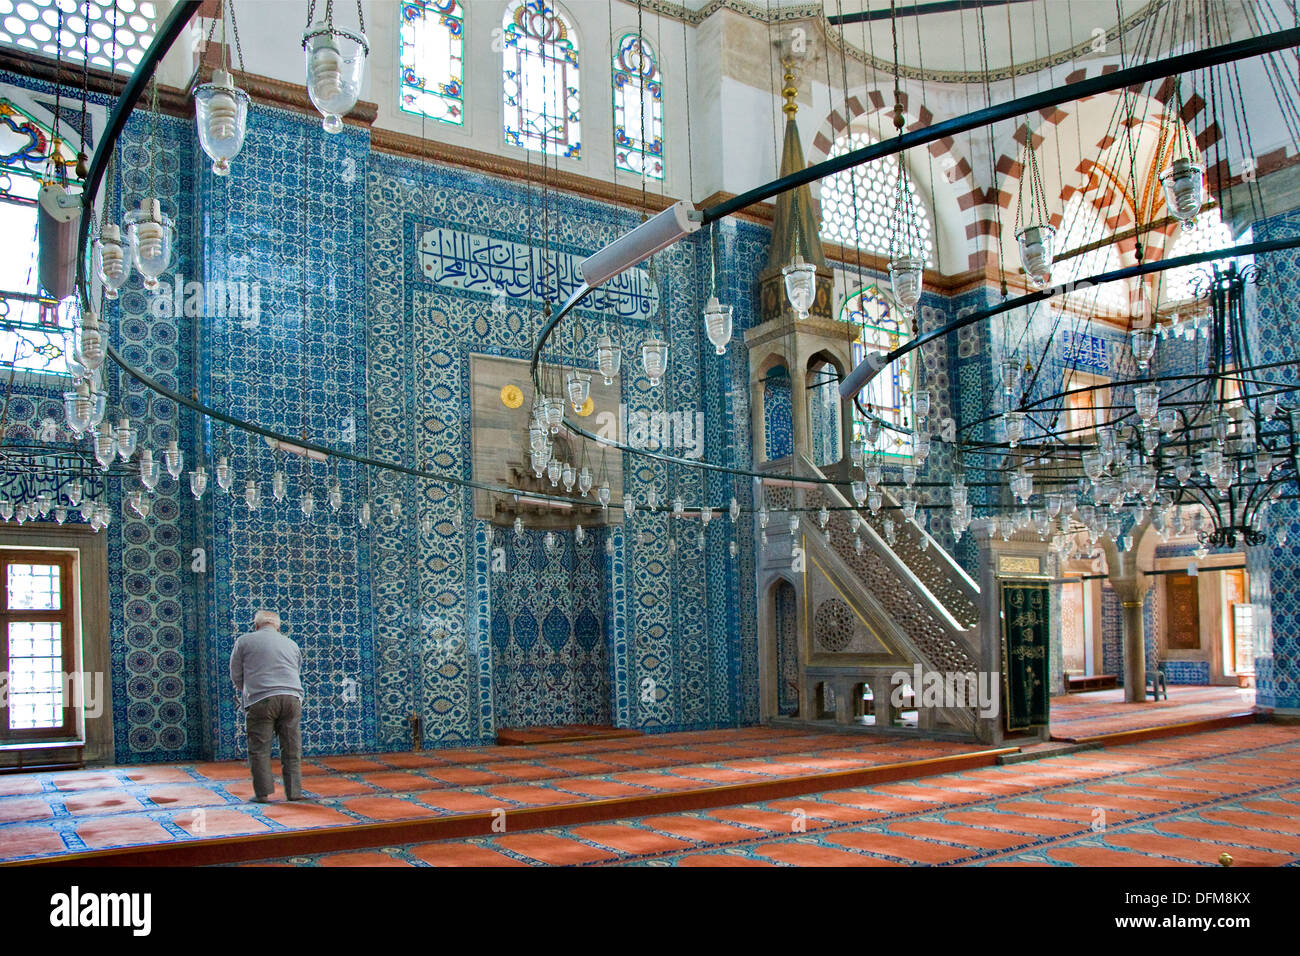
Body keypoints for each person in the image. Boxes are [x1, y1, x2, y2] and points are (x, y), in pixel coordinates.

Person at [229, 609, 305, 802]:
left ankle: (262, 794)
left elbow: (236, 673)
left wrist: (247, 691)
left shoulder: (245, 641)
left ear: (256, 625)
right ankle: (294, 793)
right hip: (291, 698)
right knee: (291, 748)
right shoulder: (291, 643)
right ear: (278, 627)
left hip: (261, 699)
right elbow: (296, 670)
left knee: (259, 748)